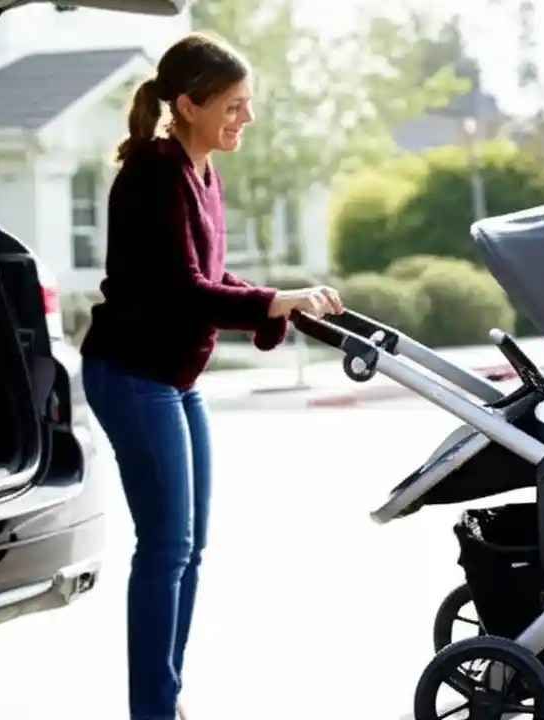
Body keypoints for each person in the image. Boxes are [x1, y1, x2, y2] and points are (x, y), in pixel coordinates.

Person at [79, 32, 343, 720]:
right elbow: (179, 289)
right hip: (132, 373)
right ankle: (154, 710)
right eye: (233, 105)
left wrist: (276, 301)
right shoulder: (153, 173)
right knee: (165, 546)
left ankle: (164, 697)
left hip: (173, 375)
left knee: (189, 548)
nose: (245, 119)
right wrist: (272, 303)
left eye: (248, 105)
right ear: (189, 105)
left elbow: (211, 277)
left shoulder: (201, 172)